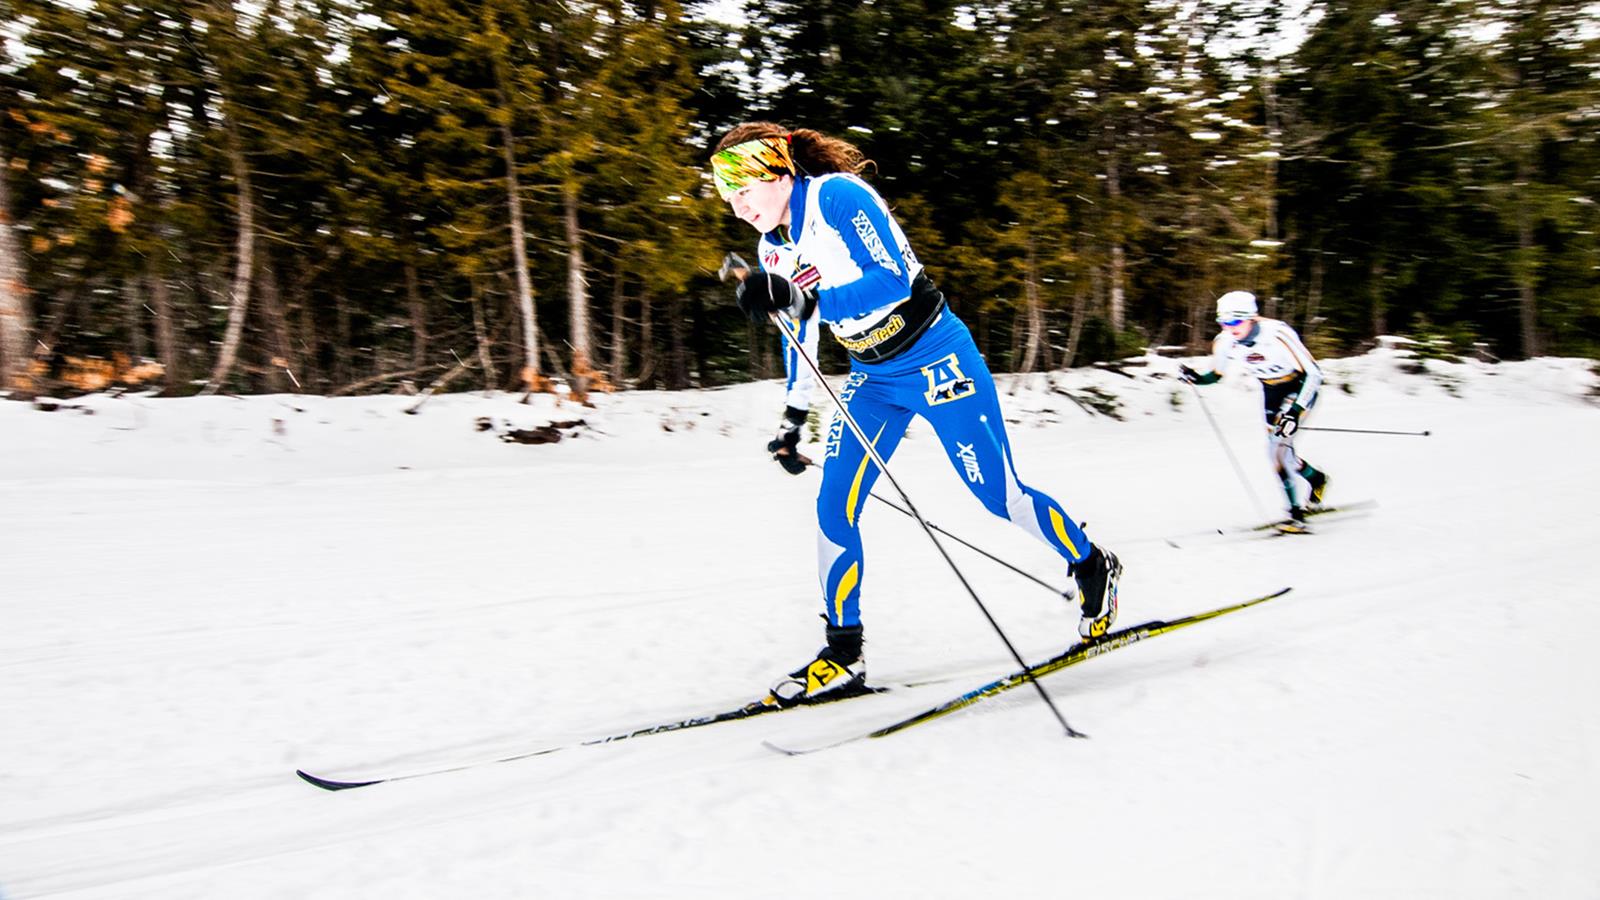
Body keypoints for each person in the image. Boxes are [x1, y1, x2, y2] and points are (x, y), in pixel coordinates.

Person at [710, 121, 1123, 706]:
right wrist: (792, 417)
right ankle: (843, 653)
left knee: (997, 495)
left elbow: (892, 278)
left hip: (936, 358)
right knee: (834, 503)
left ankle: (1091, 563)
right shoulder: (771, 248)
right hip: (873, 379)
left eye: (743, 187)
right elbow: (797, 331)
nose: (736, 204)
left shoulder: (837, 197)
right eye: (727, 194)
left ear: (778, 170)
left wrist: (808, 299)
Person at [1179, 291, 1329, 531]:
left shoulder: (1278, 334)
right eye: (1224, 322)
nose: (1230, 327)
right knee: (1281, 451)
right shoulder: (1225, 340)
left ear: (1251, 317)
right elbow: (1216, 374)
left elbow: (1314, 374)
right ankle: (1315, 478)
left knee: (1276, 451)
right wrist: (1196, 378)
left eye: (1236, 321)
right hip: (1271, 393)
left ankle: (1295, 514)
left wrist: (1294, 412)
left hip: (1298, 388)